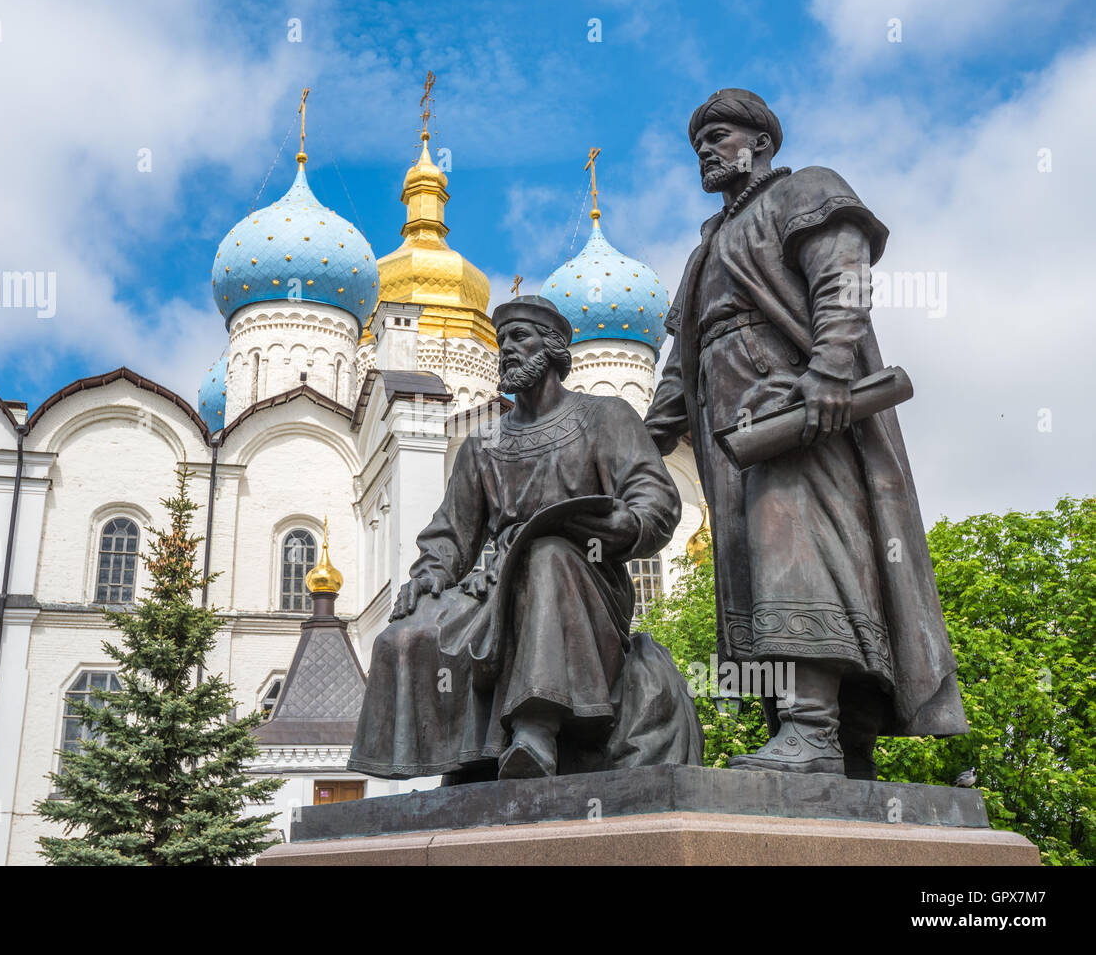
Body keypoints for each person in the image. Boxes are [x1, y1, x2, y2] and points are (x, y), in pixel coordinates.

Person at [645, 88, 968, 778]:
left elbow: (843, 281)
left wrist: (826, 371)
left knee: (801, 560)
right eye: (699, 140)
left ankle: (813, 731)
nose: (706, 148)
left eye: (721, 134)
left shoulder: (807, 191)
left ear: (761, 142)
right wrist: (651, 434)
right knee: (755, 576)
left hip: (797, 418)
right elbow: (686, 354)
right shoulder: (704, 251)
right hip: (729, 437)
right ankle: (834, 744)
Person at [348, 295, 690, 782]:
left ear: (552, 350)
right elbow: (450, 535)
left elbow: (655, 501)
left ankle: (536, 732)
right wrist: (427, 576)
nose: (507, 348)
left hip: (586, 577)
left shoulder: (605, 417)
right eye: (502, 340)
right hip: (495, 586)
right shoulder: (483, 443)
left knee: (546, 555)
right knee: (406, 633)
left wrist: (626, 524)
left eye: (520, 337)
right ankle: (448, 764)